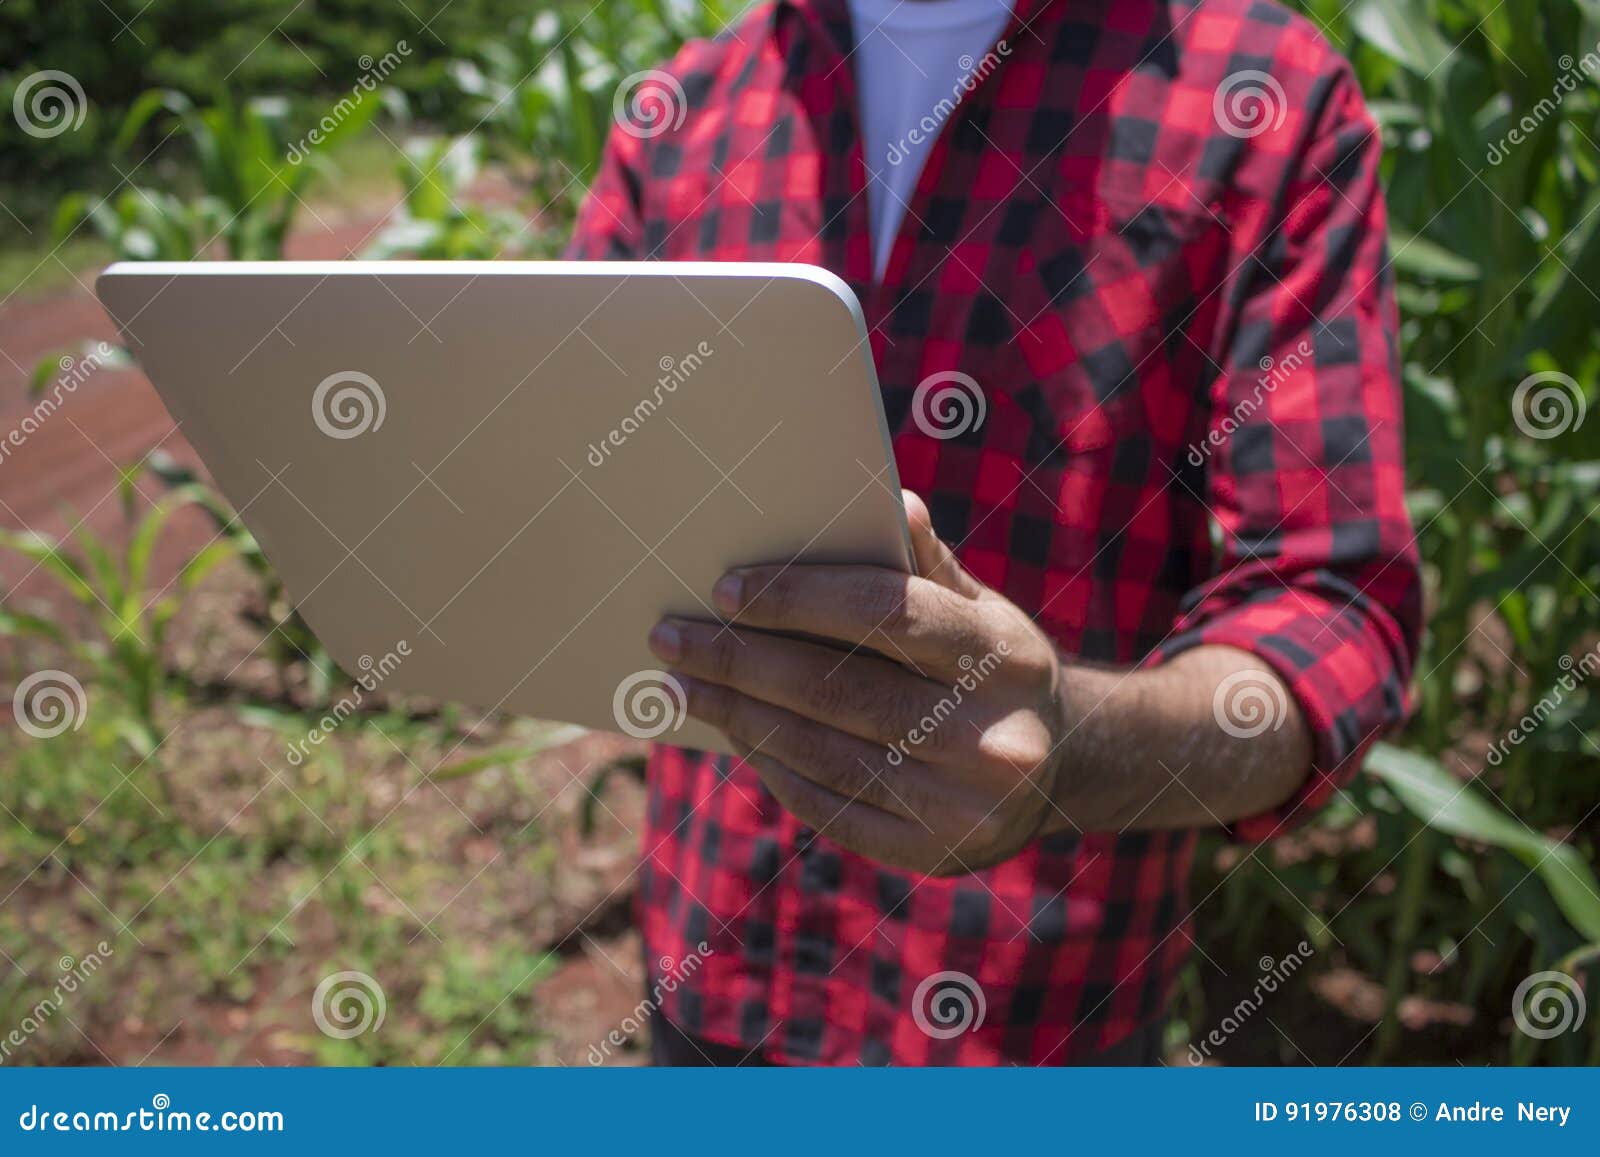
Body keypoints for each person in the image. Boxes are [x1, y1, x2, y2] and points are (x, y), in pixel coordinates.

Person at [566, 0, 1422, 1065]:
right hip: (713, 975)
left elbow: (1333, 618)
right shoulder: (682, 109)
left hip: (1029, 1017)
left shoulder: (1265, 99)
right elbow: (581, 482)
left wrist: (1073, 746)